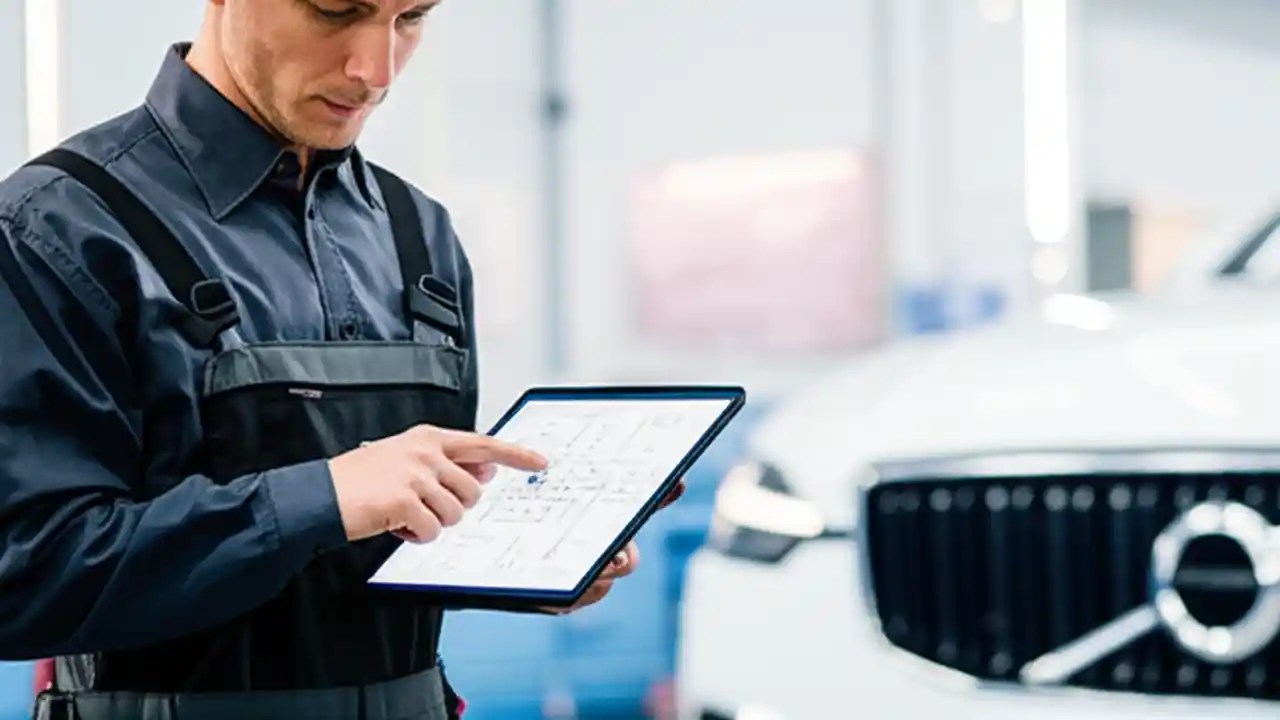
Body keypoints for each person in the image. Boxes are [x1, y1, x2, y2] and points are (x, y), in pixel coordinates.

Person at [0, 1, 683, 718]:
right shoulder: (58, 231)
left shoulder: (421, 235)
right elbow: (22, 573)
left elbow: (374, 551)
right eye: (335, 11)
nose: (377, 69)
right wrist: (322, 497)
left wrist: (530, 557)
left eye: (411, 17)